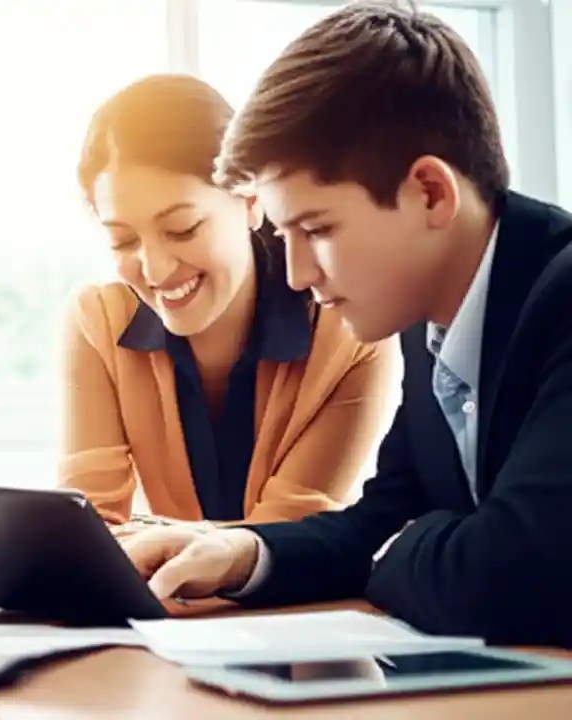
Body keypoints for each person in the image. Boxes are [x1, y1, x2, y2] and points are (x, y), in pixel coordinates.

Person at [119, 1, 572, 648]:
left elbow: (512, 574)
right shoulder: (427, 318)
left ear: (431, 193)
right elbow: (379, 524)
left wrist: (400, 553)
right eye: (283, 234)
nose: (298, 273)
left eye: (318, 229)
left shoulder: (561, 299)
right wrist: (242, 552)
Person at [64, 74, 397, 527]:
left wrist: (150, 547)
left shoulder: (348, 331)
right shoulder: (98, 322)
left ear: (251, 200)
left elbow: (286, 541)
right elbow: (86, 528)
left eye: (182, 229)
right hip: (163, 594)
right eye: (123, 241)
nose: (155, 270)